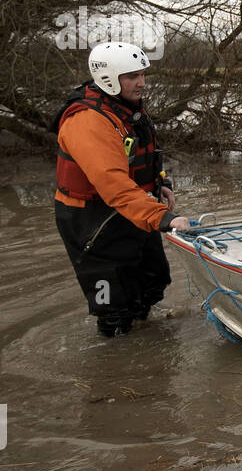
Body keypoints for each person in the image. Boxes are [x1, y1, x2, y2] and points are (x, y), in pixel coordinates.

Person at [54, 42, 190, 337]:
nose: (141, 83)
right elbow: (113, 185)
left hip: (134, 208)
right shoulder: (88, 122)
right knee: (114, 303)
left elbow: (145, 151)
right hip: (93, 219)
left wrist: (161, 182)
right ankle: (112, 360)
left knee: (154, 280)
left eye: (142, 74)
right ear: (109, 78)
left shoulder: (126, 107)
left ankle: (146, 336)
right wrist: (165, 219)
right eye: (131, 76)